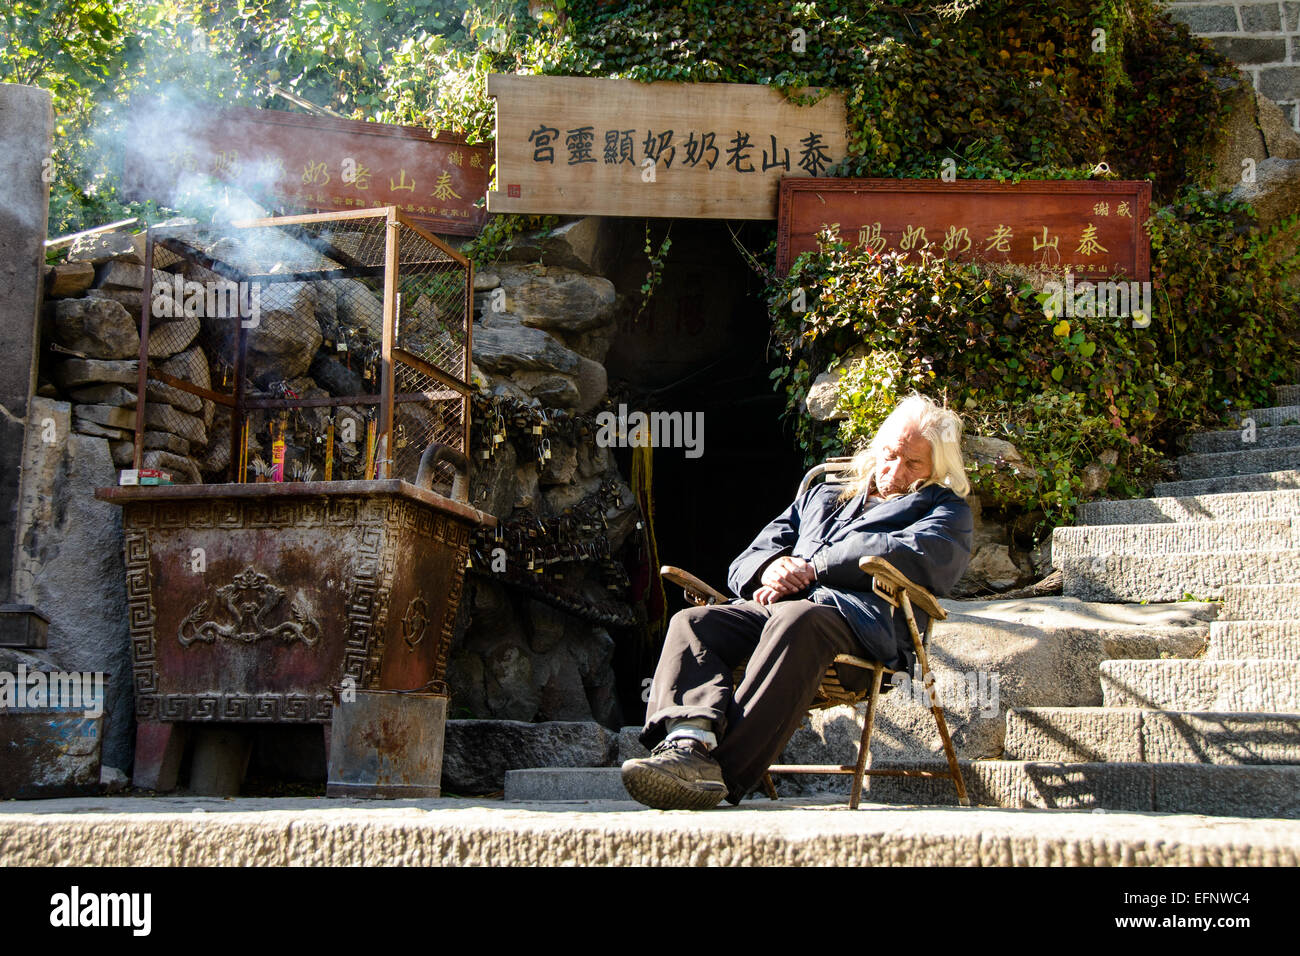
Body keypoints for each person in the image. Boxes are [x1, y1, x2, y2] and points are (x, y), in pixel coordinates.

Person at [621, 392, 974, 810]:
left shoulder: (945, 511)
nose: (894, 470)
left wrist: (812, 567)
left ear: (938, 466)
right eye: (889, 454)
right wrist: (769, 569)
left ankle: (718, 770)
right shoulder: (822, 496)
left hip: (855, 628)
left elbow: (908, 554)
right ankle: (687, 746)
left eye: (912, 463)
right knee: (694, 622)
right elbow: (746, 561)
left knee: (797, 617)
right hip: (776, 616)